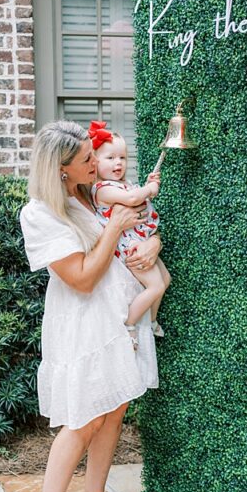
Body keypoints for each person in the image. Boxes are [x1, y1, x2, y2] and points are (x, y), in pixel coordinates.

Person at [19, 120, 163, 492]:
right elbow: (80, 278)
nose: (96, 164)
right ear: (61, 168)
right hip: (83, 325)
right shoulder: (40, 213)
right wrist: (117, 230)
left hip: (118, 315)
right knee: (82, 419)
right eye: (86, 159)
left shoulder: (89, 194)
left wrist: (152, 244)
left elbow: (141, 230)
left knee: (115, 409)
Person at [90, 120, 170, 335]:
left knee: (165, 280)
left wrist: (147, 182)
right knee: (156, 286)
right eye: (111, 158)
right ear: (94, 162)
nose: (119, 163)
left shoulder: (123, 184)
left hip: (141, 240)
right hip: (129, 246)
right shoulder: (101, 189)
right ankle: (130, 324)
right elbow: (134, 199)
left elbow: (135, 193)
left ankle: (151, 321)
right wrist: (150, 189)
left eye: (122, 158)